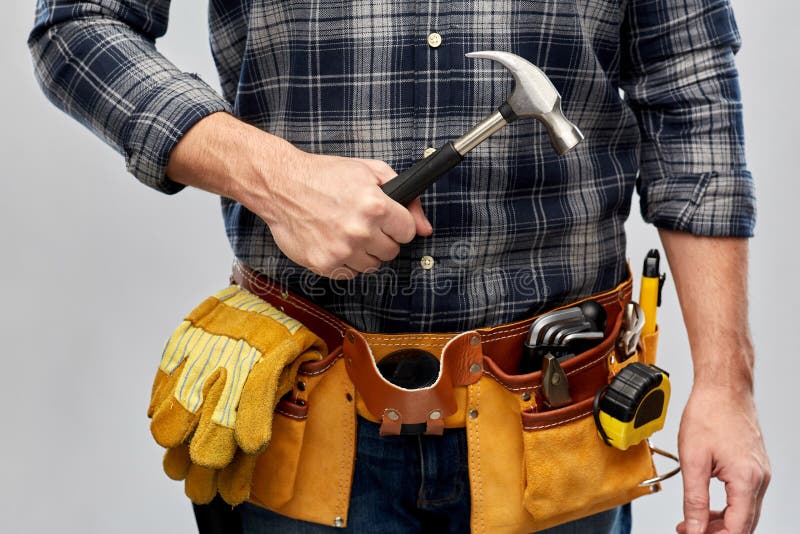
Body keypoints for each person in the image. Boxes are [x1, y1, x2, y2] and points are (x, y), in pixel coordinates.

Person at [28, 0, 769, 532]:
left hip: (553, 417)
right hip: (298, 408)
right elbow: (76, 25)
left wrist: (728, 385)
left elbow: (690, 90)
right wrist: (273, 176)